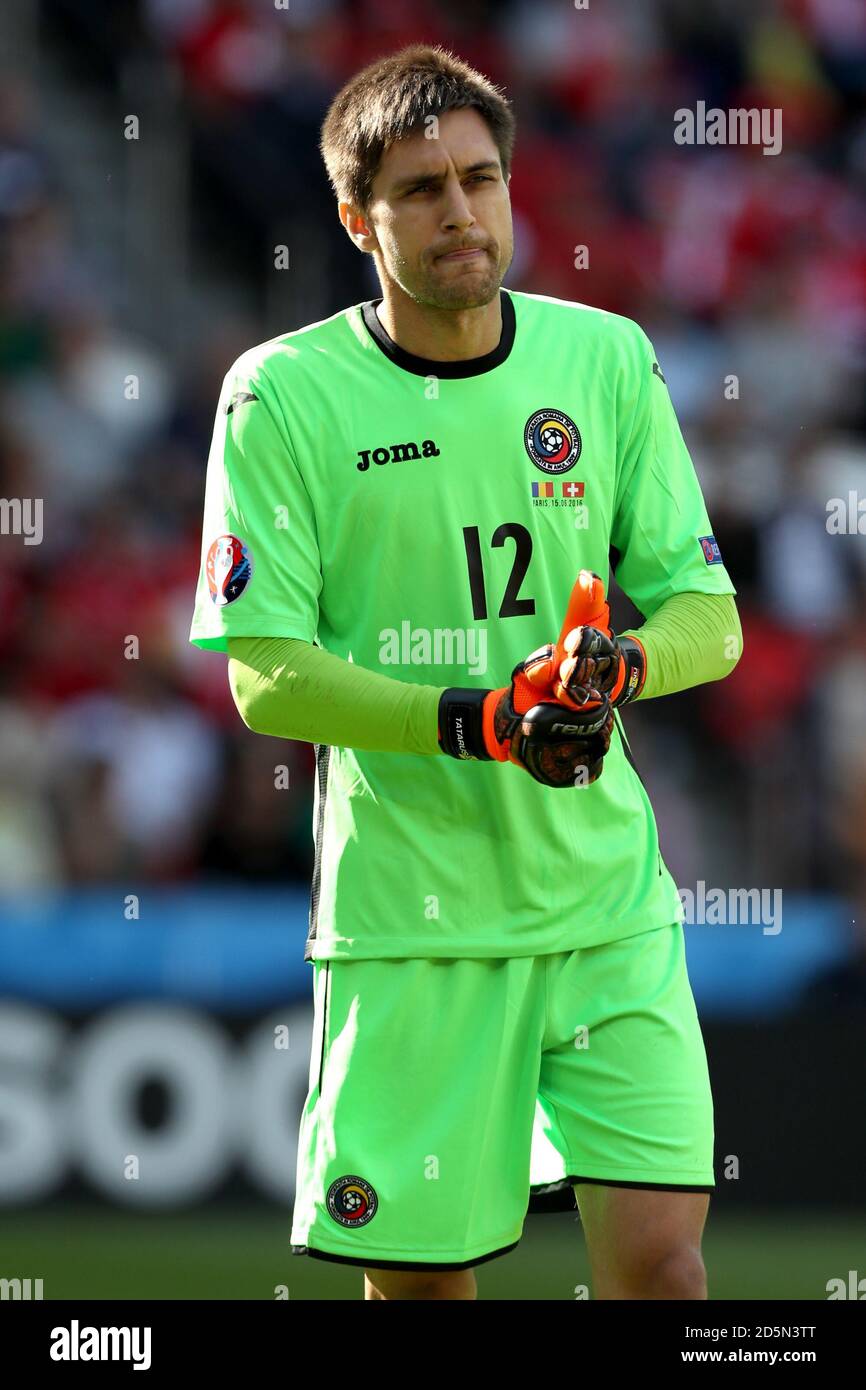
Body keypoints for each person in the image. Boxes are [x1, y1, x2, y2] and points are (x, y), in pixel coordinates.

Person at [189, 44, 742, 1301]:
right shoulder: (279, 396)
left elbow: (709, 615)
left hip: (607, 908)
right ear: (353, 217)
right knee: (424, 1294)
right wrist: (479, 718)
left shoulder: (603, 360)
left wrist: (616, 671)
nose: (461, 212)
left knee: (663, 1272)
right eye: (421, 190)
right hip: (411, 924)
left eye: (481, 180)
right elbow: (265, 675)